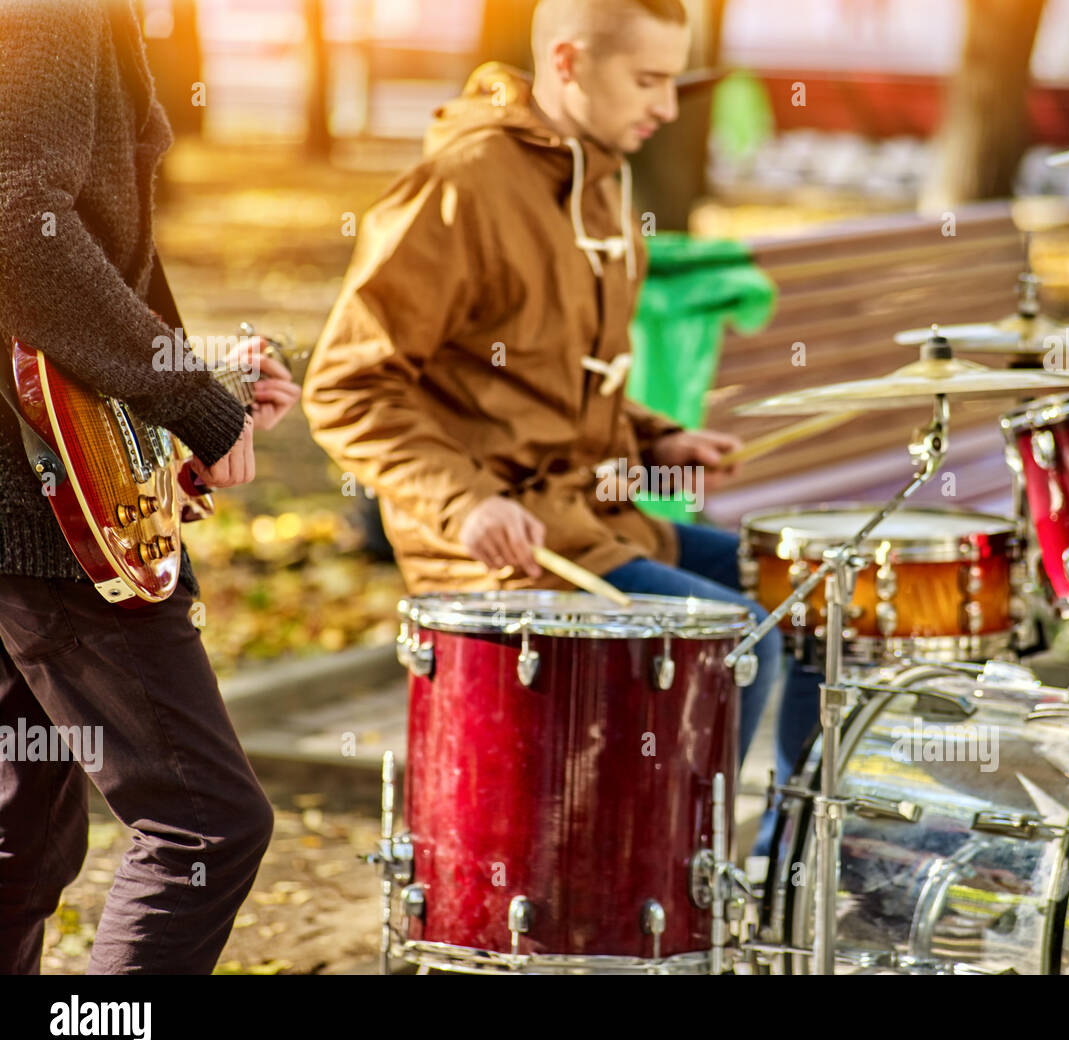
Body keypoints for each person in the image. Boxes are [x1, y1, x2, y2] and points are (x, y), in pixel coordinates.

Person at [302, 0, 818, 853]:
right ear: (570, 64)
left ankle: (774, 873)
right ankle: (674, 895)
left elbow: (558, 376)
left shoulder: (602, 171)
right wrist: (466, 503)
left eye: (672, 80)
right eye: (647, 80)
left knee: (812, 593)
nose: (666, 105)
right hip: (505, 550)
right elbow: (349, 386)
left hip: (602, 519)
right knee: (738, 643)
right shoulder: (464, 182)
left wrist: (655, 440)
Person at [0, 0, 300, 974]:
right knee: (205, 825)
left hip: (40, 483)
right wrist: (192, 406)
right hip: (33, 508)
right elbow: (17, 224)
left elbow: (83, 239)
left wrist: (180, 382)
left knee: (18, 839)